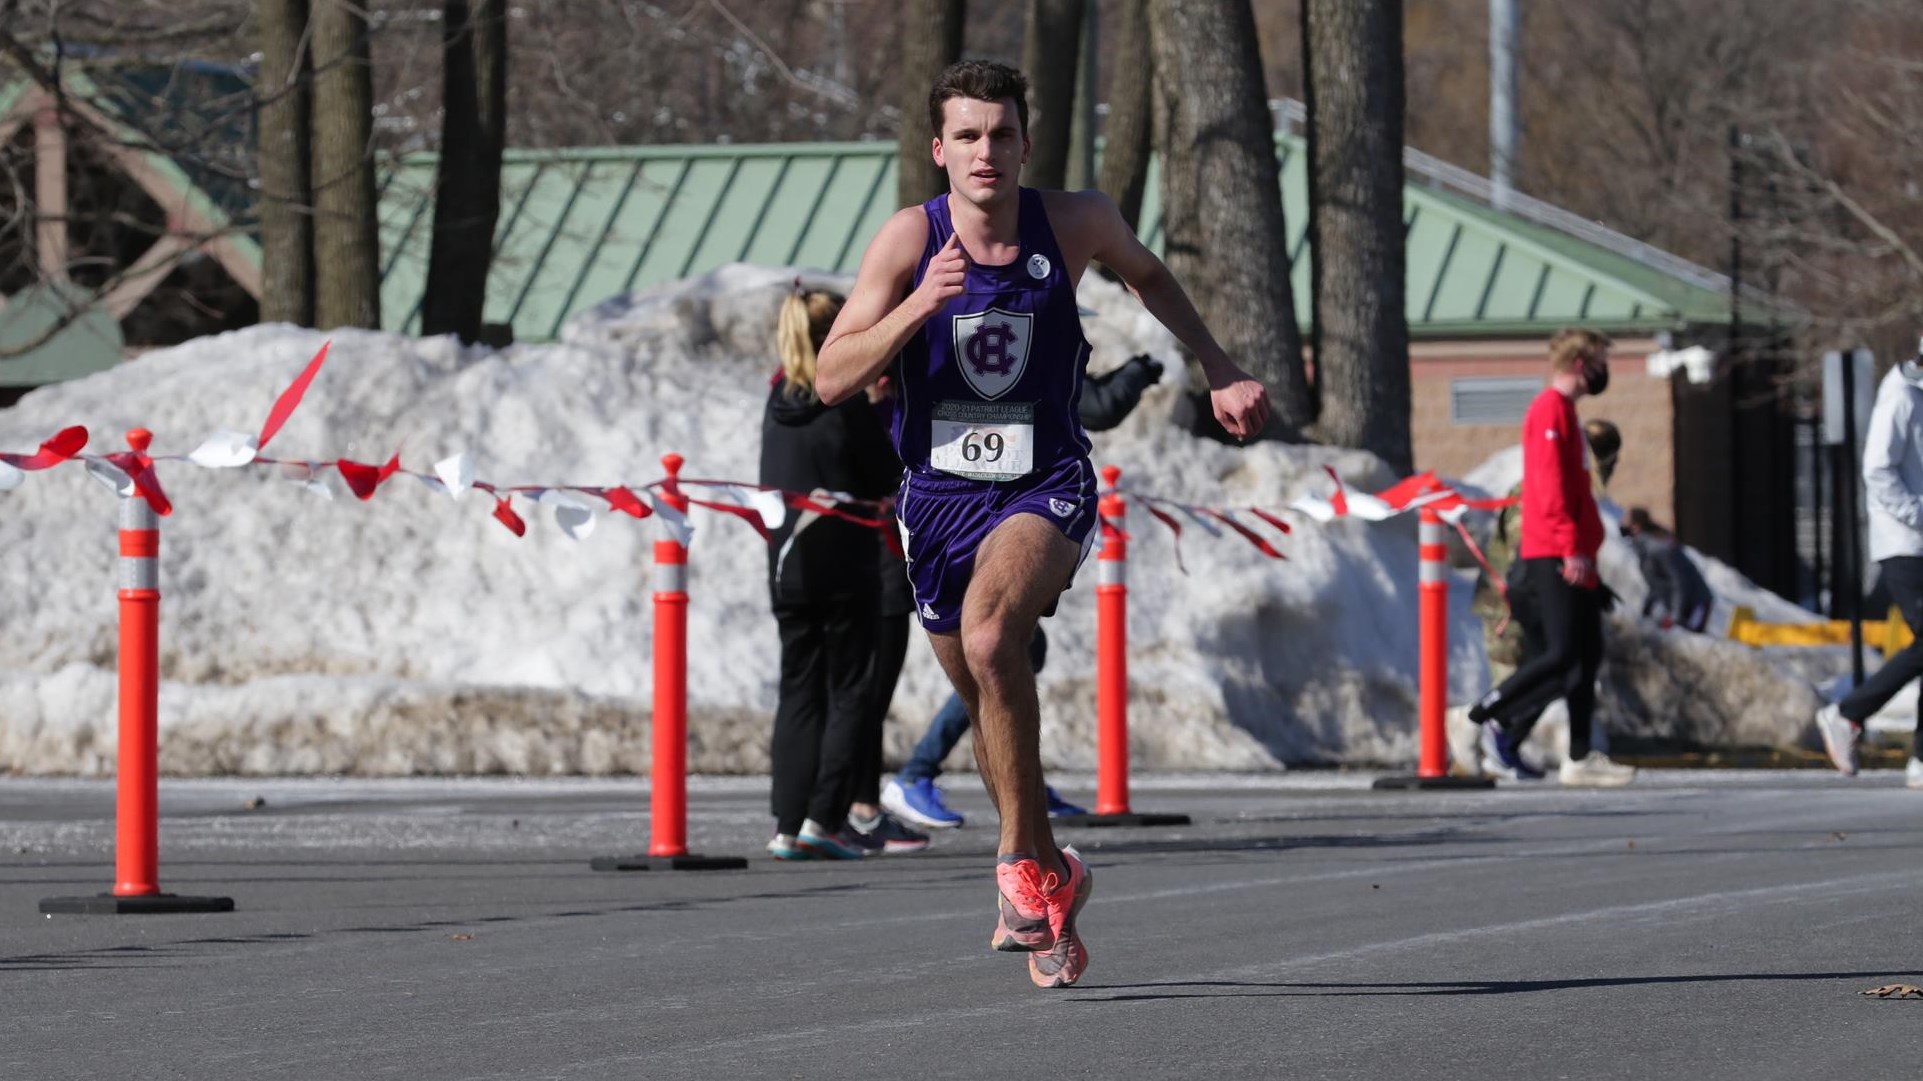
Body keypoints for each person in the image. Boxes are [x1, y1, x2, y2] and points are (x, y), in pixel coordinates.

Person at [814, 60, 1269, 988]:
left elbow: (1149, 278)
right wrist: (918, 304)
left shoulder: (1075, 220)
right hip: (935, 496)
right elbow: (828, 376)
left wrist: (1220, 367)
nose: (988, 151)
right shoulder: (909, 238)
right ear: (941, 149)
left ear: (1026, 142)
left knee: (991, 641)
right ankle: (1053, 876)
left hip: (1044, 479)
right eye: (968, 136)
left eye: (1003, 133)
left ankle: (1018, 875)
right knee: (986, 700)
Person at [881, 354, 1165, 829]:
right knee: (993, 660)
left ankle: (1019, 819)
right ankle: (929, 772)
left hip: (1011, 511)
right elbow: (1096, 405)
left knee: (1001, 647)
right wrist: (1137, 373)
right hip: (945, 514)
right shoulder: (941, 341)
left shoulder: (1040, 335)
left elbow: (1086, 398)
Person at [759, 288, 913, 860]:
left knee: (797, 693)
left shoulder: (777, 400)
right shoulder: (841, 401)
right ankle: (824, 819)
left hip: (786, 565)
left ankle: (786, 820)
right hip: (846, 565)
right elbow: (883, 471)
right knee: (850, 691)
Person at [1465, 328, 1636, 787]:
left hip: (1574, 551)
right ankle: (1480, 715)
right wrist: (1568, 547)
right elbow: (1548, 488)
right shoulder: (1549, 410)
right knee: (1560, 653)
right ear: (1581, 364)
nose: (1604, 371)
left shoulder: (1567, 414)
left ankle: (1579, 756)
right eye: (1600, 361)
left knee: (1586, 654)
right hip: (1552, 552)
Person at [1457, 417, 1622, 777]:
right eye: (1605, 458)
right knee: (1556, 664)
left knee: (1567, 666)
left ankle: (1506, 737)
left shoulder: (1575, 484)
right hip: (1515, 596)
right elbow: (1527, 547)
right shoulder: (1547, 485)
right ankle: (1487, 726)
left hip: (1546, 590)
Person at [1814, 348, 1923, 788]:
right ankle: (1846, 713)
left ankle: (1919, 758)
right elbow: (1877, 470)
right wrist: (1918, 513)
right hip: (1903, 543)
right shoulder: (1899, 394)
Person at [1622, 507, 1711, 633]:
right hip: (1680, 604)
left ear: (1636, 526)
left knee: (1690, 639)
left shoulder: (1658, 548)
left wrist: (1676, 616)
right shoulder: (1644, 549)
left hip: (1697, 601)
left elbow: (1679, 581)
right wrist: (1645, 613)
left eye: (1624, 520)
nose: (1620, 524)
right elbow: (1656, 585)